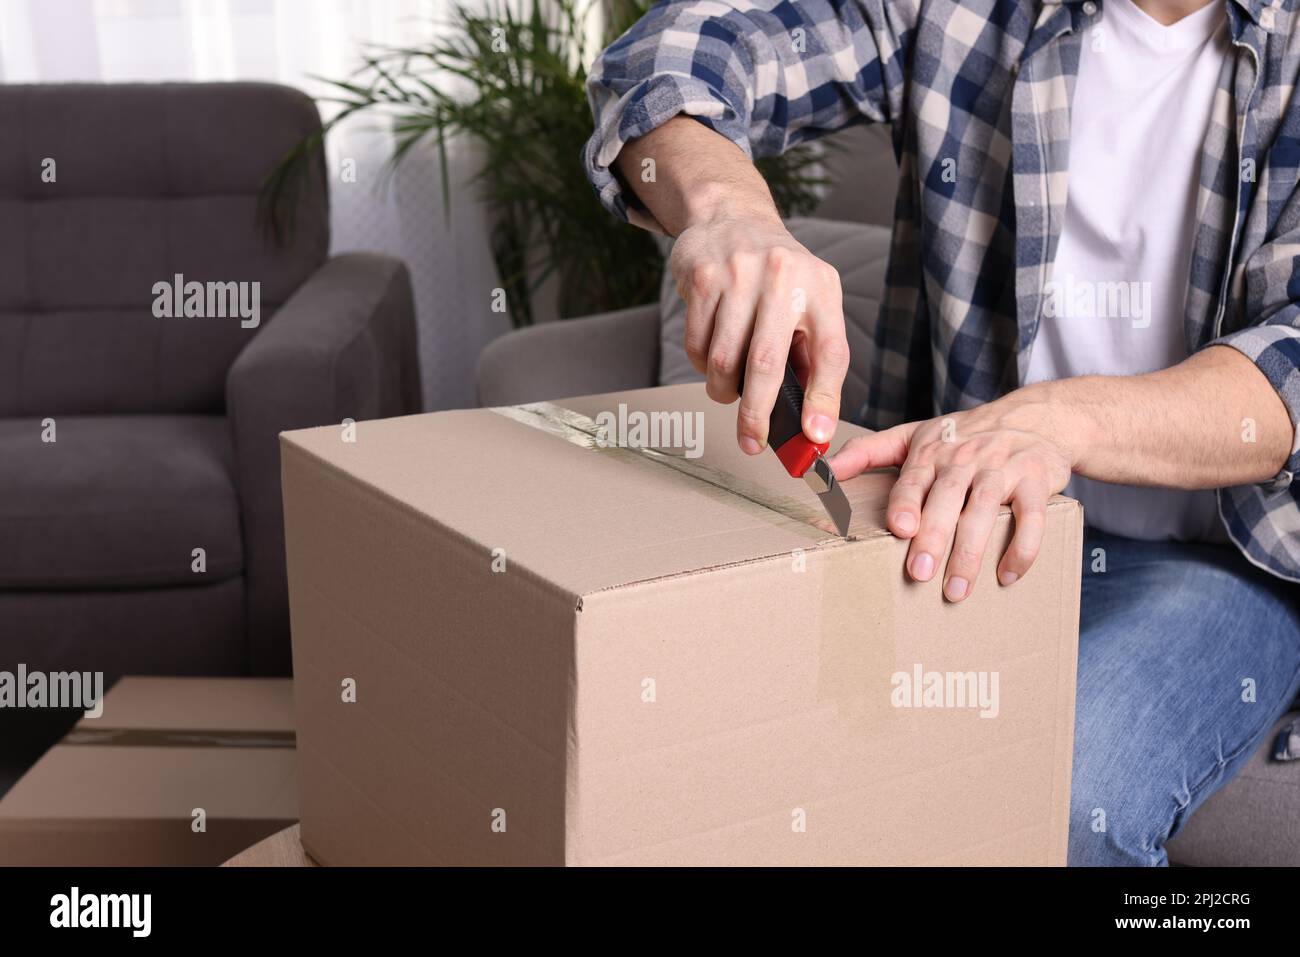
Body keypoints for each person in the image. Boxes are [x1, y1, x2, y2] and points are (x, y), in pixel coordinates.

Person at [582, 0, 1300, 864]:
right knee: (724, 747)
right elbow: (663, 58)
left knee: (1056, 797)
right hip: (951, 514)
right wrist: (727, 210)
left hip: (1225, 555)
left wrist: (1056, 420)